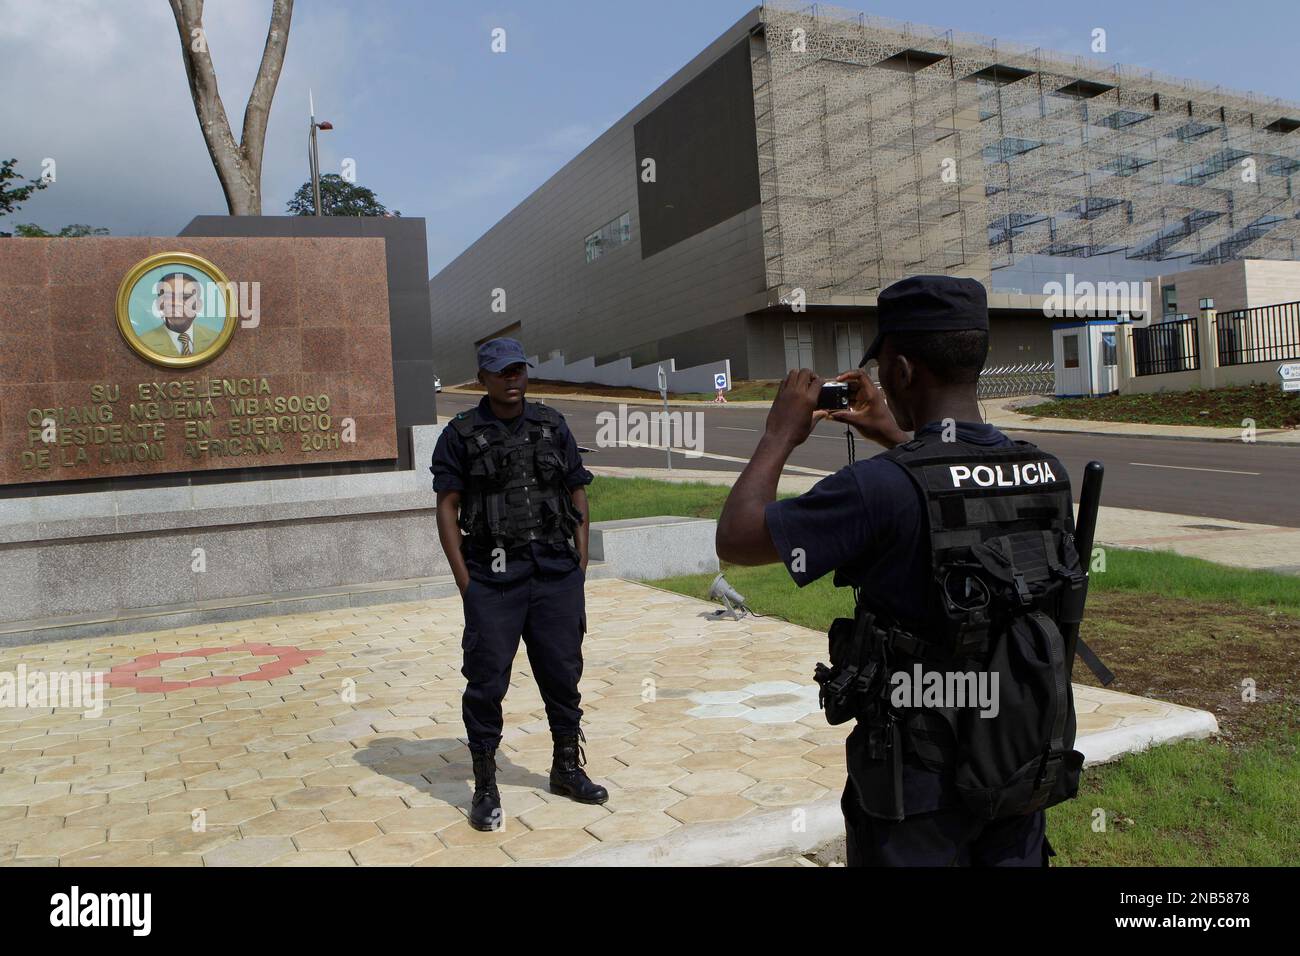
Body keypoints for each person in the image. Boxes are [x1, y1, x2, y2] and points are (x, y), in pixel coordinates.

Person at [715, 275, 1085, 866]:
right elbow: (953, 491)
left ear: (904, 371)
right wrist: (892, 432)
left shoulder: (876, 489)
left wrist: (779, 434)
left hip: (917, 788)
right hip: (1017, 758)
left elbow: (736, 537)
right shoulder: (1046, 472)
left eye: (886, 367)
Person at [431, 337, 608, 832]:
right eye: (501, 372)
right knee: (487, 682)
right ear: (483, 378)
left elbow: (577, 486)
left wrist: (581, 562)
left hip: (554, 572)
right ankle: (485, 785)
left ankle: (566, 769)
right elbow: (447, 506)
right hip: (492, 578)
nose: (512, 379)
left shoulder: (552, 424)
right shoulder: (461, 434)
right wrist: (465, 582)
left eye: (518, 370)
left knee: (562, 673)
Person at [138, 272, 218, 356]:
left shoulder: (216, 339)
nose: (176, 303)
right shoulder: (143, 343)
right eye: (168, 297)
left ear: (198, 305)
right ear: (159, 304)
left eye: (185, 297)